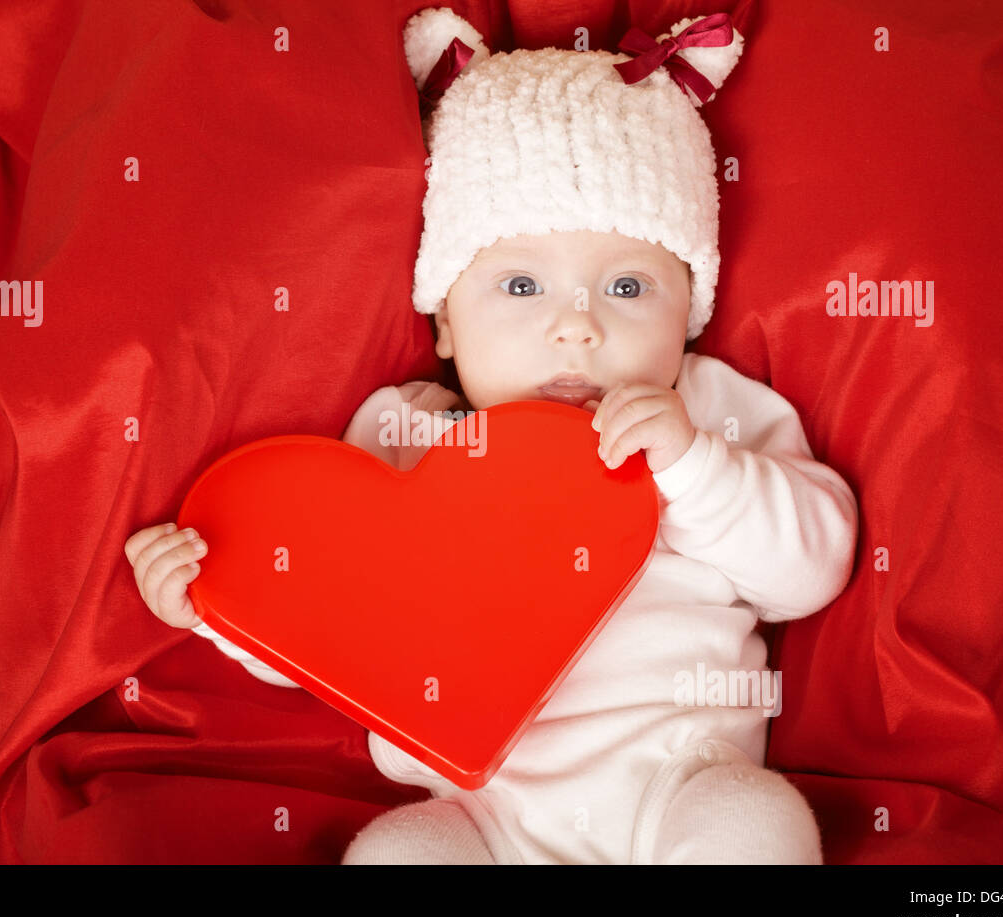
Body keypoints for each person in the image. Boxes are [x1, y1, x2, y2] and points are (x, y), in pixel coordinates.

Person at [125, 8, 858, 864]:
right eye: (520, 286)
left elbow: (812, 570)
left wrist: (698, 467)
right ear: (444, 322)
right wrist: (216, 605)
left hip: (682, 781)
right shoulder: (409, 438)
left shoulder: (706, 410)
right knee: (395, 855)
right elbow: (330, 626)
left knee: (760, 827)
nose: (577, 327)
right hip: (482, 808)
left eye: (627, 286)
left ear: (688, 314)